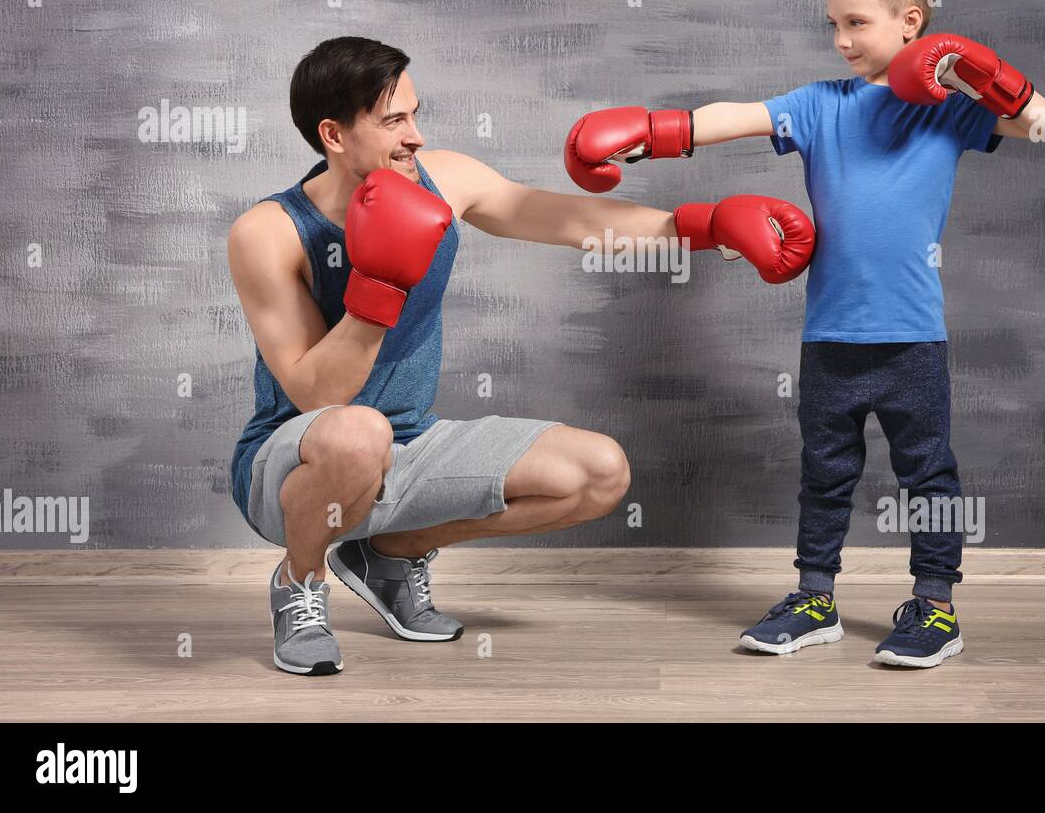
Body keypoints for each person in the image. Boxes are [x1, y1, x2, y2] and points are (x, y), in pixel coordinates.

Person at [227, 36, 815, 675]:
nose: (415, 137)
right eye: (394, 120)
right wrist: (377, 288)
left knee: (598, 472)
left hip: (407, 445)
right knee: (356, 432)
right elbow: (319, 396)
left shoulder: (443, 180)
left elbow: (567, 220)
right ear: (334, 136)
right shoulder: (270, 231)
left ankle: (390, 552)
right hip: (292, 463)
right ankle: (300, 579)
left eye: (415, 114)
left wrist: (702, 227)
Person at [563, 0, 1045, 667]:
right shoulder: (823, 104)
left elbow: (1042, 123)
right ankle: (815, 596)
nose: (840, 40)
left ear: (911, 23)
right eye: (833, 24)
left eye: (856, 23)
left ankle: (935, 606)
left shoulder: (947, 111)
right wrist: (650, 133)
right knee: (825, 470)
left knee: (928, 471)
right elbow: (742, 114)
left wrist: (988, 77)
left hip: (912, 336)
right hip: (829, 335)